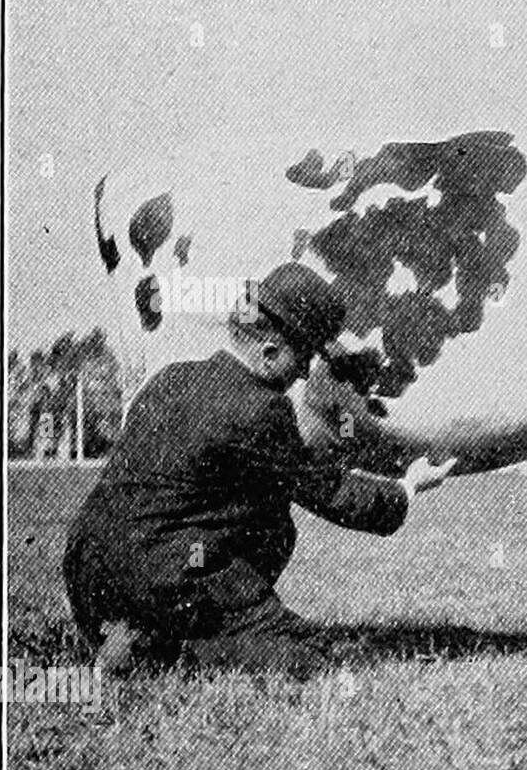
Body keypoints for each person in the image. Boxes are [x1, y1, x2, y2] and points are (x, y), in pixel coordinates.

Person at [63, 262, 456, 678]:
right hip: (165, 578)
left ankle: (141, 633)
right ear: (269, 353)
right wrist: (408, 487)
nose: (305, 373)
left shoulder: (169, 378)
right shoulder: (263, 409)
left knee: (270, 518)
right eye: (302, 357)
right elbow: (329, 493)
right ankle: (164, 644)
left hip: (89, 575)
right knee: (313, 656)